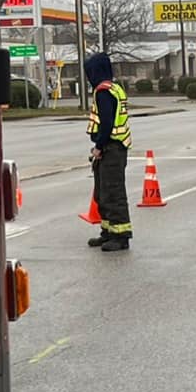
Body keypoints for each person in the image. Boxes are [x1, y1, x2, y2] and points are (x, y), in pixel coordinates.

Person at [84, 52, 132, 252]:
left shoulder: (103, 92)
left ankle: (121, 236)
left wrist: (99, 146)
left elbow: (106, 123)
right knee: (103, 193)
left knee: (113, 193)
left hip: (111, 148)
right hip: (115, 147)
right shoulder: (115, 88)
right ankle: (108, 232)